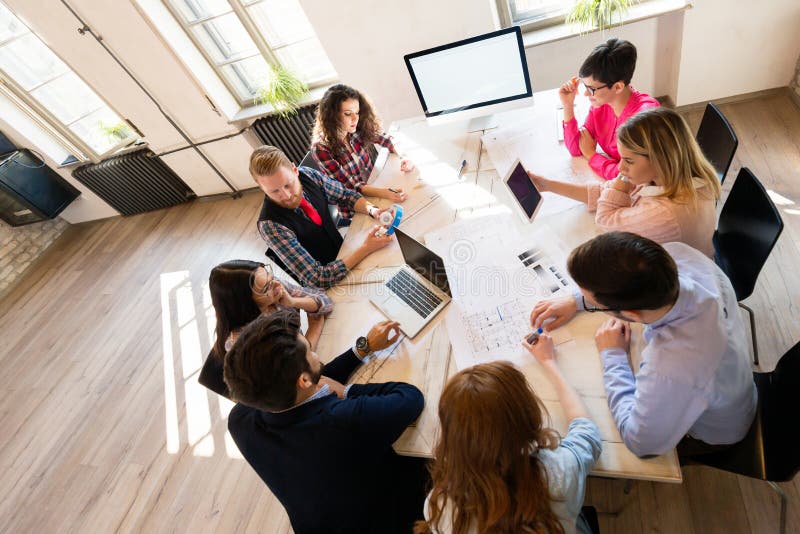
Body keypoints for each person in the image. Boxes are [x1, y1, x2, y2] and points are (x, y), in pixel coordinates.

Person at [529, 232, 757, 458]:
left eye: (592, 302)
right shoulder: (678, 254)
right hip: (729, 381)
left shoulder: (671, 368)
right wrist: (575, 300)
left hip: (716, 432)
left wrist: (613, 354)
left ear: (631, 314)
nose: (585, 300)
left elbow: (640, 443)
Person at [225, 310, 428, 533]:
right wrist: (347, 391)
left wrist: (363, 348)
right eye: (311, 351)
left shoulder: (239, 420)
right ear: (303, 380)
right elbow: (410, 398)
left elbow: (313, 380)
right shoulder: (339, 421)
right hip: (387, 519)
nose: (316, 354)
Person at [417, 358, 601, 534]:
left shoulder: (438, 506)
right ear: (527, 413)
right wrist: (549, 363)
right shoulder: (559, 471)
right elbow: (587, 433)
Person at [529, 107, 721, 257]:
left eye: (628, 161)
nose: (620, 167)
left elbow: (605, 221)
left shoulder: (664, 213)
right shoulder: (665, 176)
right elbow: (603, 192)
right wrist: (548, 185)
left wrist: (621, 182)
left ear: (660, 159)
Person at [252, 144, 394, 289]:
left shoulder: (308, 175)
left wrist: (373, 210)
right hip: (332, 286)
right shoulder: (270, 226)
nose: (286, 195)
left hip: (345, 252)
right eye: (274, 191)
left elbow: (345, 195)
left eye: (288, 185)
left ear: (295, 171)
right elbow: (318, 279)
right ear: (262, 189)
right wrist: (365, 248)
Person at [560, 38, 659, 180]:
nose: (586, 93)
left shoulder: (644, 118)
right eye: (585, 86)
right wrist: (568, 105)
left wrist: (592, 155)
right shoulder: (601, 105)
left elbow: (628, 177)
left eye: (591, 89)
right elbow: (576, 148)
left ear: (618, 87)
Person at [311, 84, 413, 218]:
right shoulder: (321, 149)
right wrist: (386, 193)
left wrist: (404, 156)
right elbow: (353, 187)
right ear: (332, 115)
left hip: (376, 188)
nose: (355, 118)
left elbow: (387, 139)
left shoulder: (355, 128)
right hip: (358, 207)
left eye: (357, 112)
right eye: (348, 114)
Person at [208, 260, 333, 361]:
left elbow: (325, 299)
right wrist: (314, 329)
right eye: (266, 288)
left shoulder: (273, 285)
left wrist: (293, 301)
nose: (276, 285)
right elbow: (295, 368)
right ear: (246, 304)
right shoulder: (244, 343)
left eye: (270, 275)